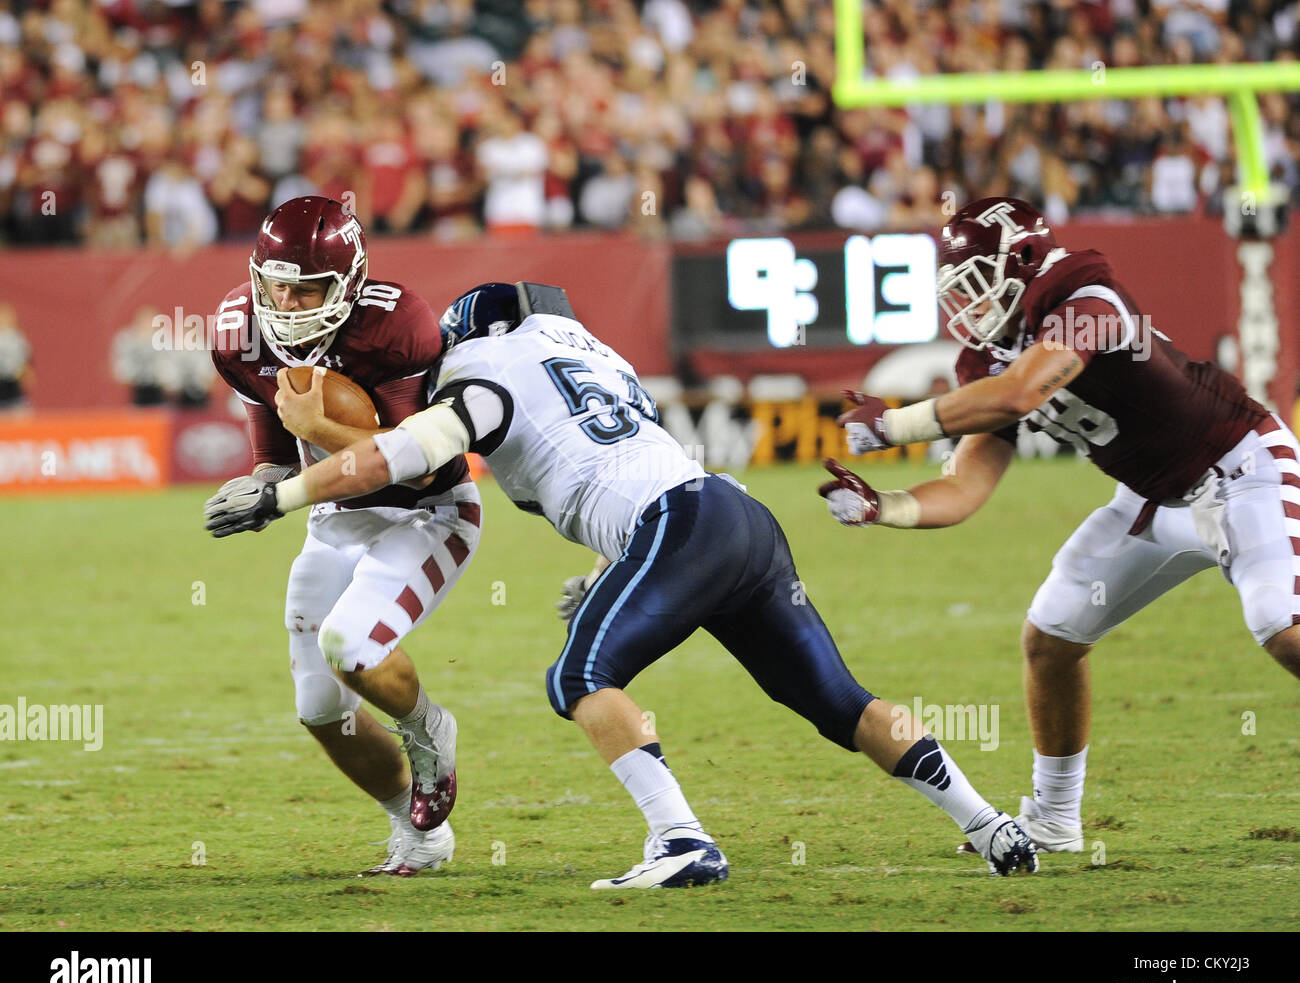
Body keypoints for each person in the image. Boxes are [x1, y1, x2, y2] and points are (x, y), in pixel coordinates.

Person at [204, 280, 1039, 886]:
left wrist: (276, 492)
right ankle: (990, 822)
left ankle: (680, 839)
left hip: (676, 527)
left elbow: (397, 455)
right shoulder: (597, 359)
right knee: (837, 701)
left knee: (578, 677)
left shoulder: (479, 375)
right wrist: (615, 562)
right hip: (738, 521)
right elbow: (619, 463)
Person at [818, 196, 1296, 855]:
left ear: (1020, 259)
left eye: (976, 283)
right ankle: (1052, 818)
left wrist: (893, 425)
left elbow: (1024, 391)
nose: (968, 305)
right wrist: (886, 506)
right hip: (1155, 496)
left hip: (1240, 466)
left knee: (1281, 627)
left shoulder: (1088, 295)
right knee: (1051, 637)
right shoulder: (991, 355)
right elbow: (965, 486)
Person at [207, 196, 481, 877]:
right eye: (277, 282)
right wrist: (261, 486)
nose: (289, 301)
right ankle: (417, 836)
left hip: (428, 514)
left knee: (351, 644)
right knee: (319, 703)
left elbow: (419, 465)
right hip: (334, 517)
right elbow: (271, 444)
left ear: (351, 281)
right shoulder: (241, 327)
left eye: (309, 288)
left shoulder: (396, 325)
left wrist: (318, 429)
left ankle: (427, 729)